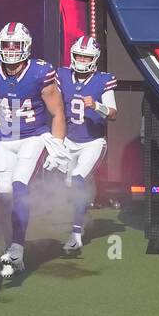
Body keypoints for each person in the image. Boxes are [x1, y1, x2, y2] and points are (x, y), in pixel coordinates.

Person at [0, 22, 69, 281]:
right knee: (3, 194)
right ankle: (8, 244)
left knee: (20, 185)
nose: (11, 50)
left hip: (32, 137)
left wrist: (57, 147)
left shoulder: (40, 72)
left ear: (27, 47)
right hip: (3, 138)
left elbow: (57, 112)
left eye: (16, 45)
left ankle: (18, 247)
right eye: (7, 45)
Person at [57, 36, 117, 255]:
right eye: (79, 55)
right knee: (68, 187)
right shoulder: (62, 75)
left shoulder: (103, 80)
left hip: (93, 142)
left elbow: (113, 113)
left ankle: (75, 235)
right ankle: (84, 213)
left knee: (79, 179)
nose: (82, 60)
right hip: (69, 140)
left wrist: (97, 105)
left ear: (94, 59)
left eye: (86, 56)